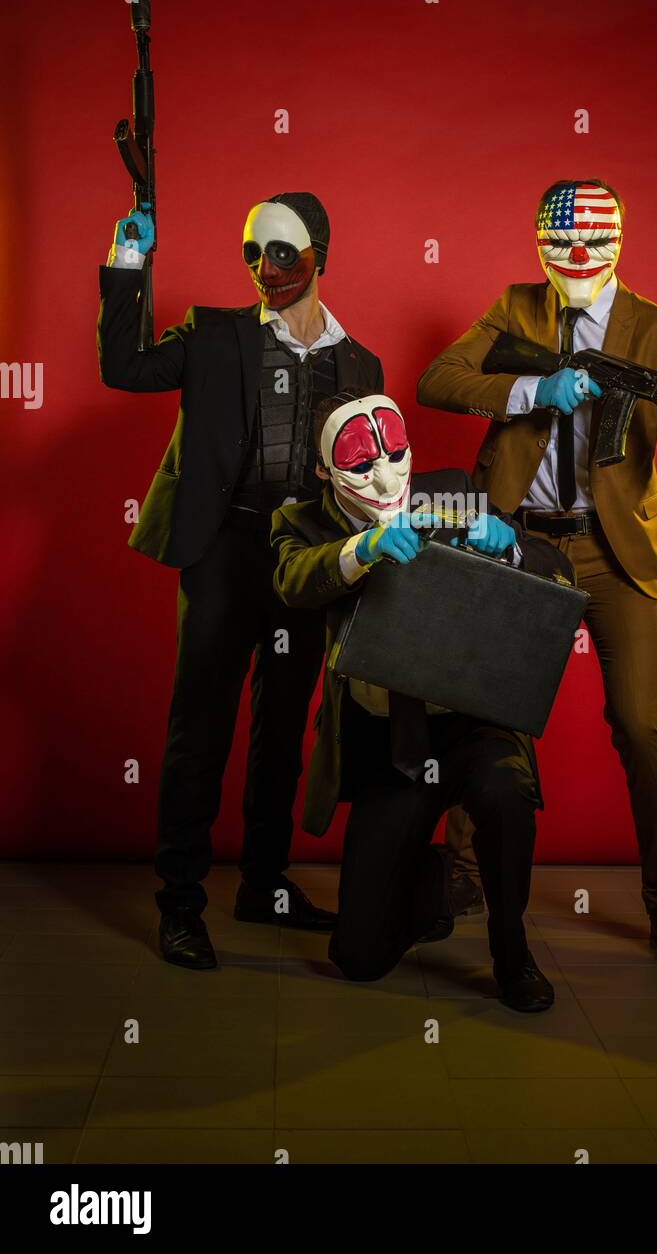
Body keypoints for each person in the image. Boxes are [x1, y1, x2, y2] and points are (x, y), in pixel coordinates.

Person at [417, 179, 657, 970]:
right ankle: (460, 875)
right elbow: (436, 381)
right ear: (539, 243)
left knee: (642, 727)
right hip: (517, 538)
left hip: (616, 554)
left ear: (620, 240)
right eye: (561, 240)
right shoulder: (516, 309)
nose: (577, 255)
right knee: (484, 708)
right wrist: (532, 389)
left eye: (593, 240)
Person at [97, 193, 383, 969]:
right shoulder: (214, 333)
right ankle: (180, 906)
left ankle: (264, 884)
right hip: (223, 552)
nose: (266, 268)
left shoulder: (361, 365)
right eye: (254, 253)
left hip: (303, 562)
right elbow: (123, 368)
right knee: (201, 730)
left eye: (283, 252)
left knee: (282, 731)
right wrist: (130, 260)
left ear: (320, 252)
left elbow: (364, 476)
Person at [270, 390, 577, 1010]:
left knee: (505, 790)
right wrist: (362, 550)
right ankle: (432, 881)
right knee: (358, 958)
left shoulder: (451, 492)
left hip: (467, 725)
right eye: (360, 463)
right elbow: (293, 581)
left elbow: (555, 571)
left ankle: (511, 948)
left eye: (395, 453)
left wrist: (511, 546)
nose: (386, 477)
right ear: (324, 470)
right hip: (389, 745)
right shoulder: (302, 521)